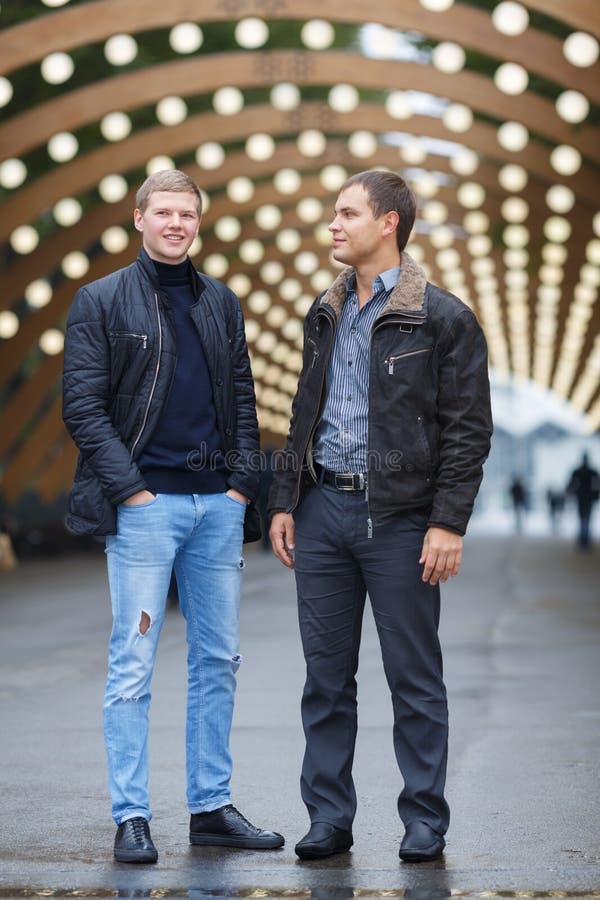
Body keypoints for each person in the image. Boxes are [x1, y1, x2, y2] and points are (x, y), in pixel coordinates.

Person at [268, 170, 492, 863]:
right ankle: (329, 817)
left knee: (413, 676)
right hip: (324, 509)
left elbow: (467, 428)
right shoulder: (324, 310)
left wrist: (448, 522)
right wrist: (285, 499)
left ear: (388, 223)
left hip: (399, 519)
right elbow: (303, 411)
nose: (334, 225)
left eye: (347, 213)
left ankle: (425, 819)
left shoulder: (443, 318)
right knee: (326, 678)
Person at [62, 169, 283, 864]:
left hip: (217, 505)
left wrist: (243, 485)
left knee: (219, 660)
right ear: (138, 219)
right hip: (145, 510)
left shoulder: (221, 303)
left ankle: (211, 807)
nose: (176, 224)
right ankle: (131, 815)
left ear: (197, 222)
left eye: (187, 214)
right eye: (164, 212)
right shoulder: (99, 301)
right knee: (133, 663)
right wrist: (131, 491)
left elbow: (244, 401)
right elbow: (83, 408)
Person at [566, 452, 600, 550]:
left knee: (583, 519)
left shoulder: (579, 471)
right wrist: (595, 496)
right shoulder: (591, 471)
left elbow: (571, 484)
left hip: (582, 498)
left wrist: (571, 492)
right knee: (586, 519)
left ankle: (583, 540)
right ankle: (585, 540)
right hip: (587, 498)